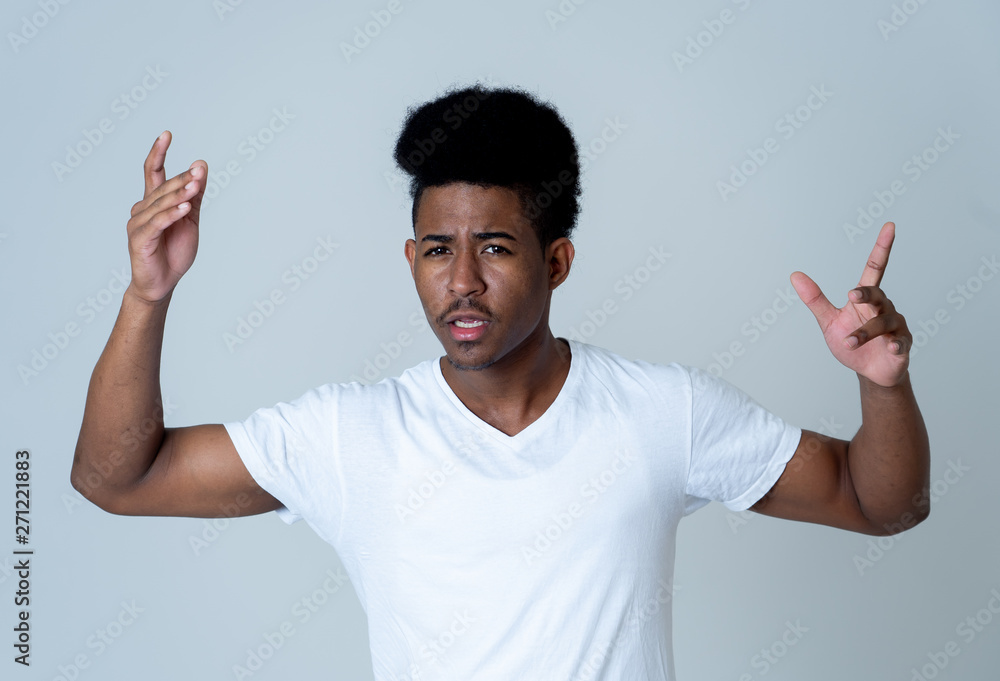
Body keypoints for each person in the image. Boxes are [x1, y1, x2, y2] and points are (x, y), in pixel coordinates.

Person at [72, 84, 930, 680]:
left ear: (556, 261)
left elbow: (879, 500)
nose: (463, 282)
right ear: (412, 259)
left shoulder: (665, 412)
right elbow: (116, 477)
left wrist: (882, 386)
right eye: (439, 250)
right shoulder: (350, 435)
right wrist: (148, 295)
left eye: (496, 246)